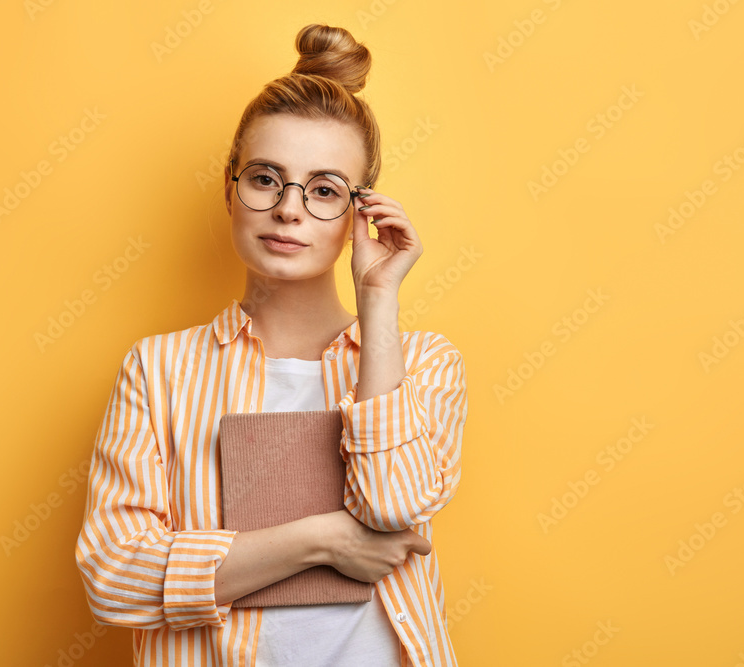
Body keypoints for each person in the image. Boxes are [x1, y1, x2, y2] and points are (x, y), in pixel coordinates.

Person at [75, 23, 468, 667]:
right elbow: (114, 578)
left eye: (323, 190)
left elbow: (393, 505)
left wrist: (377, 302)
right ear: (230, 189)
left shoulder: (423, 364)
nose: (290, 210)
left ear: (358, 213)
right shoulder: (159, 371)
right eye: (266, 179)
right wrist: (321, 540)